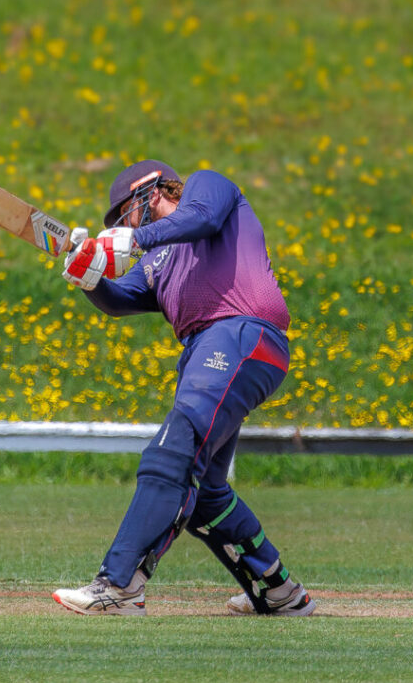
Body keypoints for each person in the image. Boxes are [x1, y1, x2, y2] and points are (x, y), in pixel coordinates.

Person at [50, 159, 315, 617]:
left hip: (240, 332)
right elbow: (119, 299)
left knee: (170, 455)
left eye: (124, 216)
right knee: (206, 492)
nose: (124, 229)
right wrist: (87, 277)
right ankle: (279, 592)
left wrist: (137, 239)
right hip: (209, 351)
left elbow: (203, 218)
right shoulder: (157, 259)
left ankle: (120, 585)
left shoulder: (207, 187)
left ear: (149, 192)